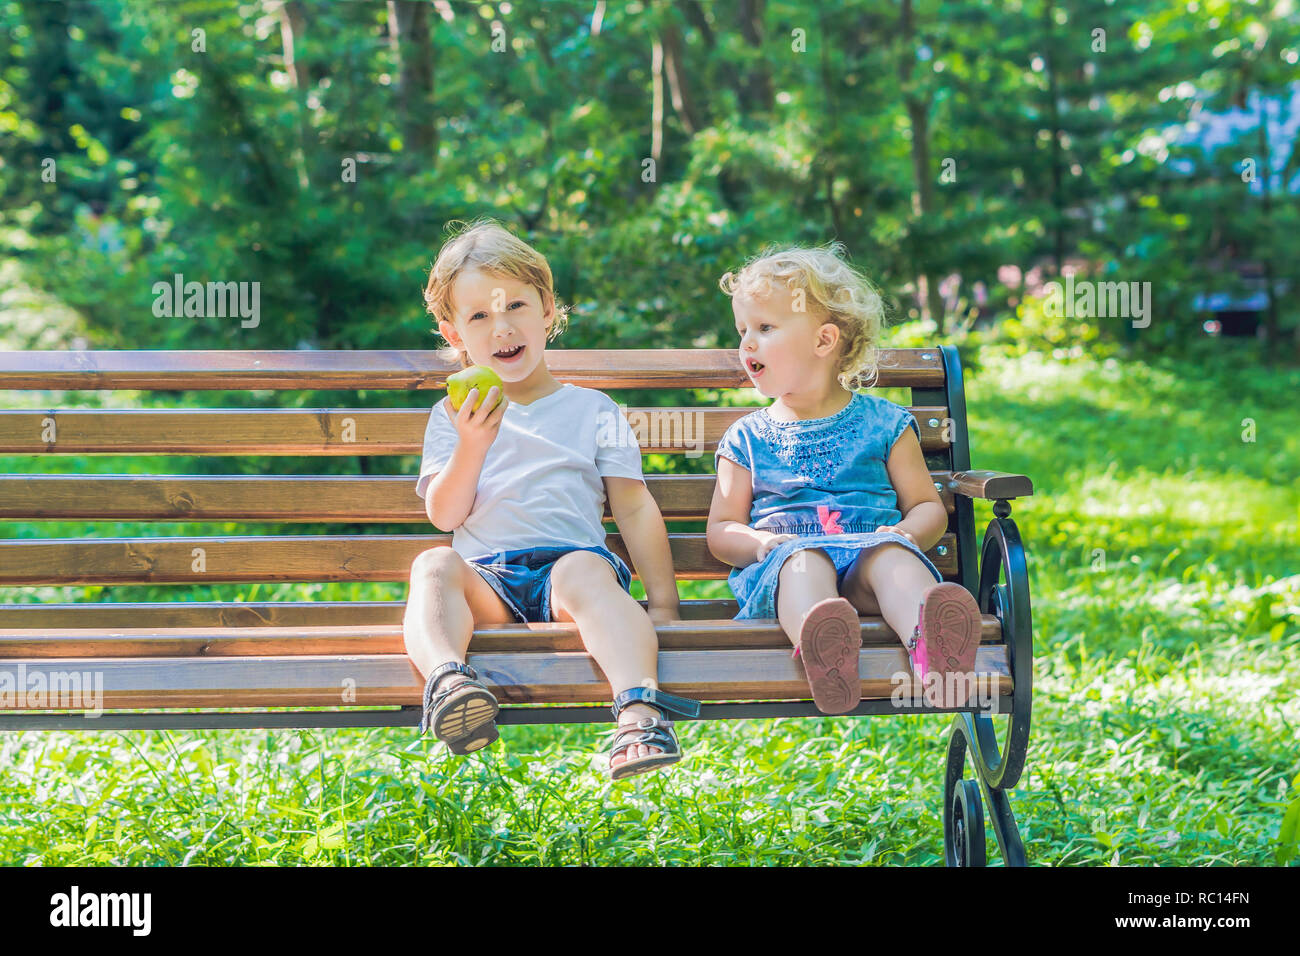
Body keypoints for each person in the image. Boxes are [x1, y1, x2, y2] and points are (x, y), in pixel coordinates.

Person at [406, 218, 698, 779]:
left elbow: (634, 507)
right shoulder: (452, 417)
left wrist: (663, 602)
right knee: (432, 565)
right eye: (479, 316)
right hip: (486, 582)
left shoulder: (595, 410)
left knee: (587, 572)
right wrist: (472, 445)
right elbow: (445, 515)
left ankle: (639, 713)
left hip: (571, 573)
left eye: (515, 305)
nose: (501, 328)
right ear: (453, 335)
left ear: (547, 309)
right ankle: (450, 683)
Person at [705, 244, 983, 713]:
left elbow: (927, 505)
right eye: (743, 330)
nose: (746, 343)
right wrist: (756, 544)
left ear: (823, 340)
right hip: (785, 567)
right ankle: (826, 648)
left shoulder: (885, 424)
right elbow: (721, 529)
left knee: (892, 558)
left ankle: (932, 648)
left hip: (867, 559)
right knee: (805, 563)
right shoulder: (747, 437)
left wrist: (904, 533)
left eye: (765, 328)